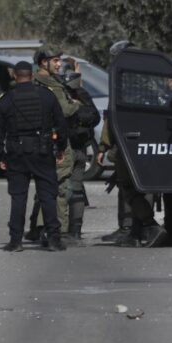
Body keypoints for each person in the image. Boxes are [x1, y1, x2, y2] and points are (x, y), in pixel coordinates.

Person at [98, 41, 168, 248]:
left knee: (129, 188)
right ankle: (137, 233)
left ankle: (149, 225)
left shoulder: (121, 80)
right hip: (147, 142)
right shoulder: (148, 77)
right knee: (142, 188)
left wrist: (103, 146)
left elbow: (112, 118)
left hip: (127, 143)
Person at [0, 61, 69, 252]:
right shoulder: (47, 95)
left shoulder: (6, 99)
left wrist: (1, 156)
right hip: (42, 152)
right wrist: (60, 148)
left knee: (18, 198)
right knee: (48, 197)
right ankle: (53, 239)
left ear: (15, 75)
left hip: (17, 154)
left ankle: (15, 241)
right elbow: (61, 124)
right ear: (32, 75)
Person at [27, 47, 80, 243]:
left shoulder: (32, 82)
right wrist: (76, 104)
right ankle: (55, 230)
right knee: (60, 186)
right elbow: (65, 110)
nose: (59, 64)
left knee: (44, 185)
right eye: (55, 60)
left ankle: (36, 228)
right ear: (43, 63)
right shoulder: (52, 86)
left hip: (38, 142)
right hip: (56, 142)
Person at [58, 57, 101, 243]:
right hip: (80, 147)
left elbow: (94, 117)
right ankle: (74, 231)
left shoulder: (61, 95)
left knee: (63, 189)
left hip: (67, 149)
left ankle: (66, 230)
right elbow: (94, 117)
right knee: (76, 189)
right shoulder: (81, 93)